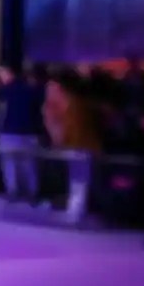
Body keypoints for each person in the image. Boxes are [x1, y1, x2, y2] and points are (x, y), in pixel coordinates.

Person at [43, 72, 101, 224]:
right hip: (77, 147)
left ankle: (75, 213)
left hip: (80, 147)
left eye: (53, 88)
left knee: (79, 181)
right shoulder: (68, 104)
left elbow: (69, 130)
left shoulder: (73, 104)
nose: (49, 92)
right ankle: (74, 211)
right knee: (77, 181)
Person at [0, 63, 45, 202]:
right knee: (29, 166)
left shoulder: (6, 90)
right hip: (29, 133)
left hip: (8, 132)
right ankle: (31, 193)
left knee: (10, 166)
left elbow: (1, 112)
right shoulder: (34, 91)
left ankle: (13, 192)